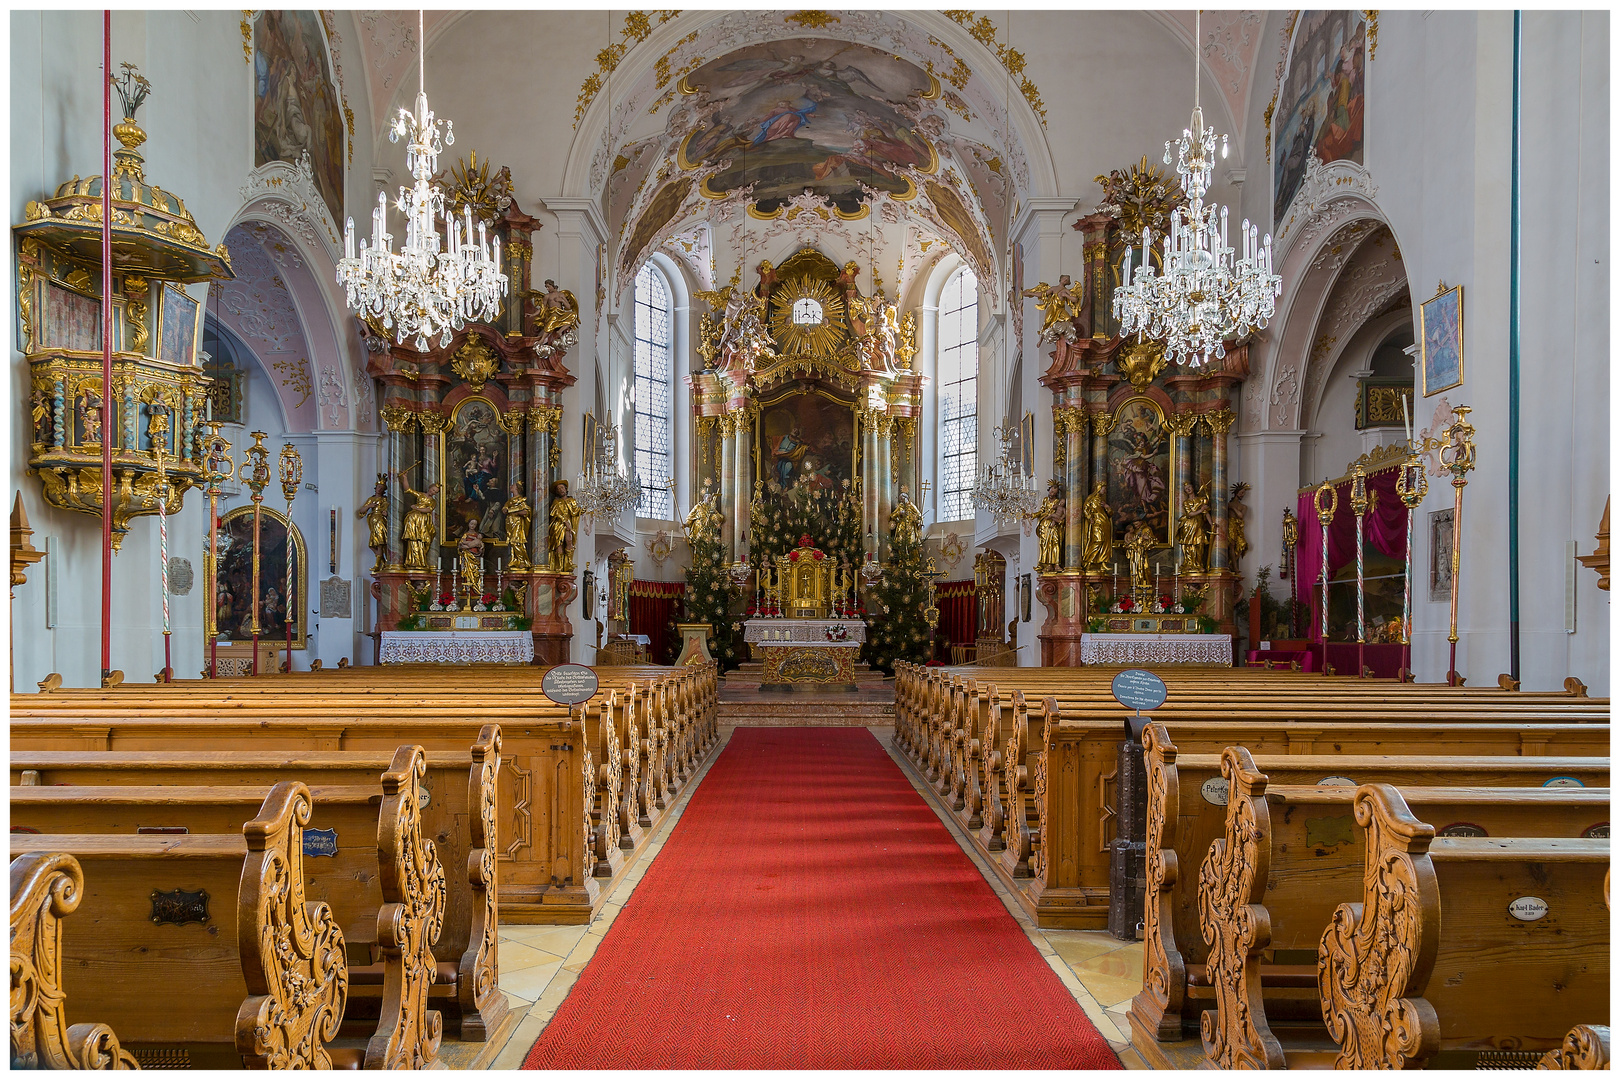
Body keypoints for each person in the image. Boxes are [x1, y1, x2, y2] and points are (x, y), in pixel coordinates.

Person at [396, 473, 439, 571]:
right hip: (413, 518)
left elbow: (429, 510)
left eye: (435, 492)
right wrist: (405, 478)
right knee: (412, 538)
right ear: (429, 488)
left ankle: (421, 561)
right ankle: (411, 561)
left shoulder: (433, 501)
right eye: (433, 490)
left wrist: (417, 508)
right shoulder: (420, 495)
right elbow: (408, 489)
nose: (433, 492)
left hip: (423, 521)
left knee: (422, 539)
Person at [546, 480, 582, 573]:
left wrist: (583, 508)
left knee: (569, 541)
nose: (561, 490)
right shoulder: (556, 502)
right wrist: (564, 521)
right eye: (558, 489)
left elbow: (575, 511)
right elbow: (555, 513)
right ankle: (559, 565)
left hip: (569, 524)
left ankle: (568, 562)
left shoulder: (572, 501)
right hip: (558, 524)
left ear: (566, 489)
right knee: (559, 544)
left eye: (562, 488)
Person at [357, 473, 390, 572]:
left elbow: (391, 511)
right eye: (378, 487)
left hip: (380, 521)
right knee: (372, 544)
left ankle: (377, 564)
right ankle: (383, 562)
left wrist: (386, 513)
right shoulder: (371, 499)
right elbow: (361, 511)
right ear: (375, 488)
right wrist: (369, 506)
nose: (379, 489)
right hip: (373, 522)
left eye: (382, 488)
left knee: (379, 543)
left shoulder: (385, 499)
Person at [1082, 481, 1114, 573]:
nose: (1105, 490)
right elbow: (1085, 509)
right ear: (1099, 488)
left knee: (1105, 543)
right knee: (1097, 541)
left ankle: (1103, 563)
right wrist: (1089, 518)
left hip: (1105, 523)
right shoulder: (1091, 499)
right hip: (1096, 522)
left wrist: (1107, 506)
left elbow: (1110, 513)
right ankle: (1089, 561)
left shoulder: (1102, 501)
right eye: (1104, 488)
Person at [1034, 480, 1064, 571]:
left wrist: (1055, 521)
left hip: (1053, 524)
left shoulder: (1058, 502)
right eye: (1051, 491)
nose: (1052, 493)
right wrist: (1033, 515)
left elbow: (1059, 513)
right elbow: (1042, 511)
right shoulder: (1045, 500)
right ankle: (1047, 564)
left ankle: (1056, 564)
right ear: (1049, 490)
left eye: (1054, 492)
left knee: (1055, 543)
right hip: (1045, 524)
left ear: (1056, 494)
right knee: (1045, 544)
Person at [503, 480, 533, 569]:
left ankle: (522, 560)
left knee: (517, 542)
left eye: (512, 485)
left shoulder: (521, 500)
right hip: (510, 523)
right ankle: (514, 560)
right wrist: (505, 510)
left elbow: (526, 512)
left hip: (517, 523)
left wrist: (515, 512)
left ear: (516, 488)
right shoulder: (510, 501)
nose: (510, 486)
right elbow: (504, 509)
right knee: (512, 543)